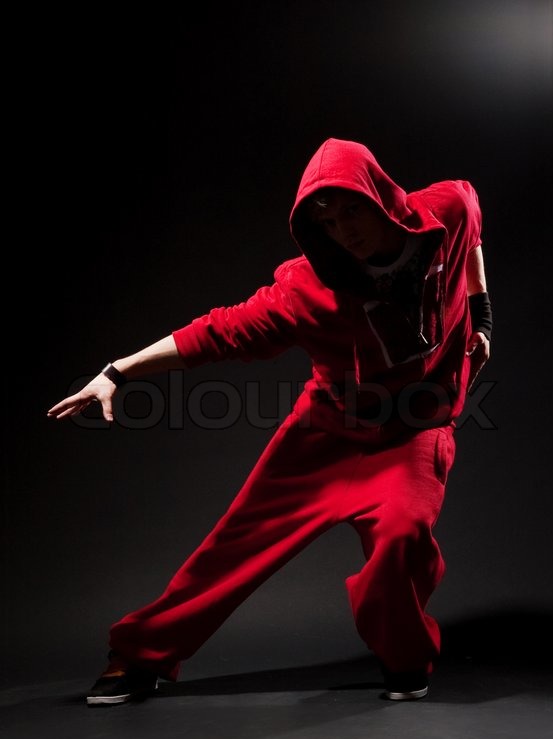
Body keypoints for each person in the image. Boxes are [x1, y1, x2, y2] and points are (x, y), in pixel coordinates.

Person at [47, 137, 492, 705]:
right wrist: (119, 372)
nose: (345, 230)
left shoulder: (446, 209)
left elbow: (472, 227)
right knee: (235, 545)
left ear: (379, 195)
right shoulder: (307, 288)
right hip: (324, 436)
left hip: (413, 434)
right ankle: (140, 655)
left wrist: (482, 316)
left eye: (352, 208)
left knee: (402, 540)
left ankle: (406, 658)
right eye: (326, 222)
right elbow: (218, 330)